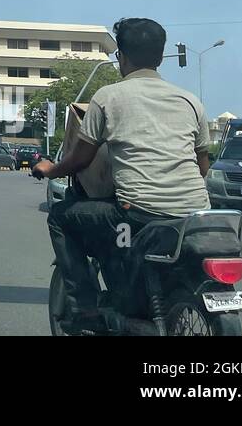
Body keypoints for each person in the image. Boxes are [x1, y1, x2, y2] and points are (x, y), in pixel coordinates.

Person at [32, 17, 211, 328]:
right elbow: (202, 164)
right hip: (194, 215)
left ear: (121, 58)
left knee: (60, 216)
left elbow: (80, 160)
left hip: (138, 214)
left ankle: (86, 310)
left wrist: (49, 170)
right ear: (160, 56)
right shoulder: (190, 101)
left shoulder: (108, 97)